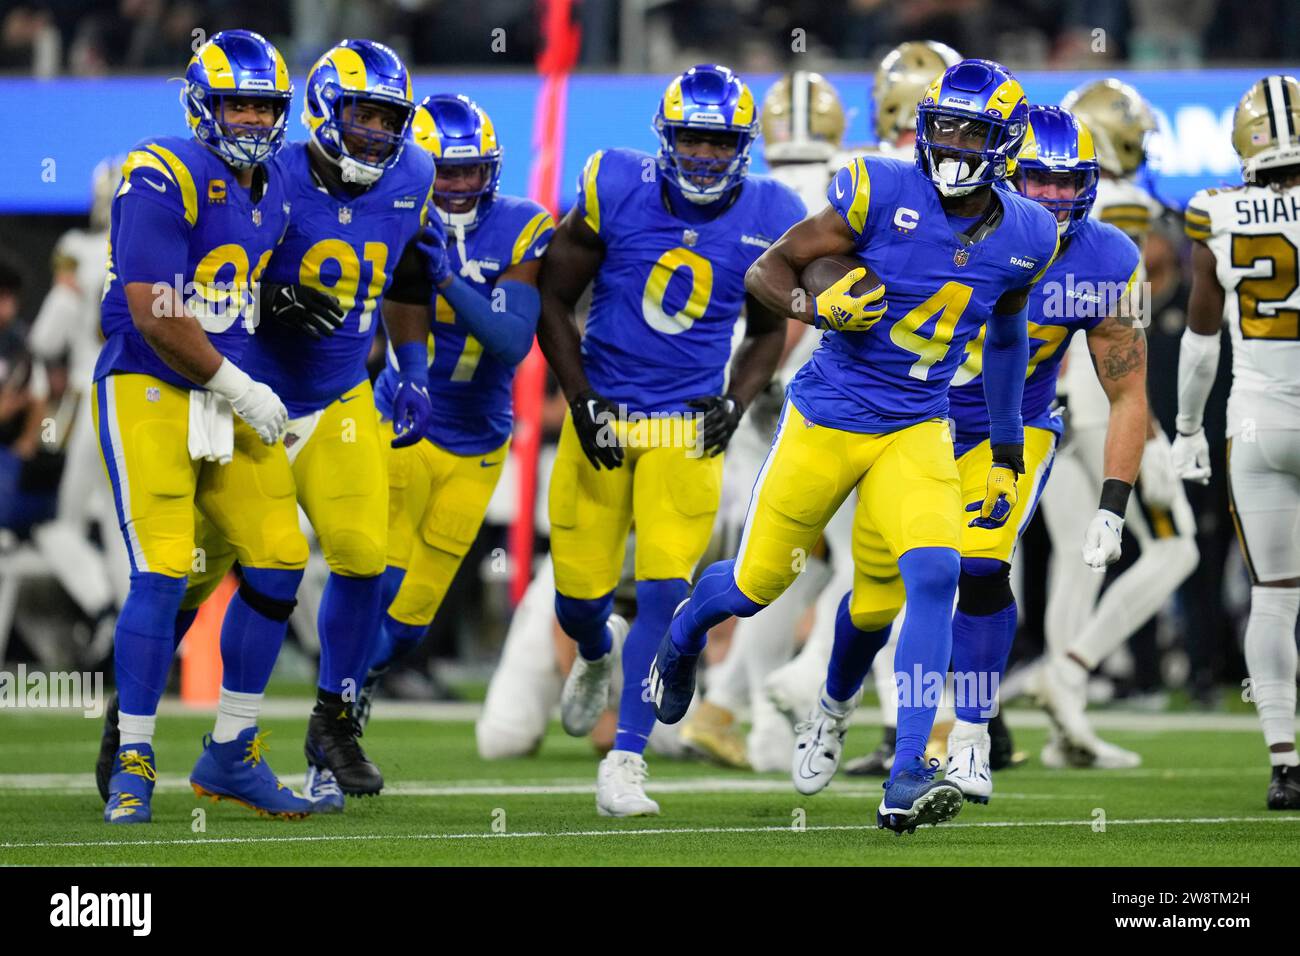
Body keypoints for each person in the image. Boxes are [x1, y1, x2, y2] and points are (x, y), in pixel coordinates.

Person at [650, 59, 1059, 833]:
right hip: (829, 416)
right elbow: (771, 269)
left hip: (917, 423)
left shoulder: (1030, 231)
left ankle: (909, 769)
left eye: (973, 130)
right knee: (755, 584)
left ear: (1004, 144)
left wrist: (1006, 447)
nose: (953, 140)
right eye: (944, 124)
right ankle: (683, 636)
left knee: (936, 570)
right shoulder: (879, 187)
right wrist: (817, 303)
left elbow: (1006, 333)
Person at [537, 64, 804, 817]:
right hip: (607, 421)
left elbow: (766, 331)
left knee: (664, 588)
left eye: (720, 142)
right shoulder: (615, 185)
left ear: (742, 147)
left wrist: (736, 397)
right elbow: (551, 300)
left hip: (688, 425)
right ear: (665, 136)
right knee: (579, 600)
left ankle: (626, 761)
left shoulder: (769, 211)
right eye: (692, 137)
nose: (705, 154)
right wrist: (579, 399)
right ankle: (596, 650)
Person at [177, 38, 437, 803]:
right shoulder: (262, 170)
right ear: (326, 111)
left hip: (337, 396)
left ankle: (333, 721)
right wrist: (267, 301)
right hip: (245, 400)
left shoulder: (414, 172)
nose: (376, 135)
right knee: (196, 574)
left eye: (390, 121)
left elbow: (413, 271)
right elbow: (200, 283)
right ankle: (128, 722)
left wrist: (411, 367)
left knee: (362, 554)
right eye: (362, 116)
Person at [93, 30, 336, 823]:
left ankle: (231, 750)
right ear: (203, 102)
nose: (254, 119)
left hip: (225, 396)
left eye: (266, 105)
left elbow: (234, 290)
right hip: (150, 384)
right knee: (164, 567)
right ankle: (133, 752)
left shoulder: (276, 186)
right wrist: (239, 384)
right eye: (239, 102)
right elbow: (155, 308)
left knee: (278, 557)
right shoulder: (161, 169)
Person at [937, 105, 1145, 802]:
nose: (1055, 197)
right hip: (913, 419)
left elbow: (1128, 392)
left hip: (1015, 429)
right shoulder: (946, 218)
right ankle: (841, 707)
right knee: (884, 584)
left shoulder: (1108, 256)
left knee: (981, 564)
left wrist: (1112, 504)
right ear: (1005, 172)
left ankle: (968, 736)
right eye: (1040, 180)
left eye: (1070, 182)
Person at [357, 93, 551, 741]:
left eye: (472, 170)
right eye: (447, 172)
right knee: (377, 578)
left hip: (479, 440)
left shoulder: (521, 225)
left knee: (412, 619)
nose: (461, 184)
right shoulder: (392, 211)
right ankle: (337, 709)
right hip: (403, 422)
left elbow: (512, 342)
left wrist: (450, 280)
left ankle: (357, 685)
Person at [1035, 78, 1198, 768]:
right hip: (1102, 400)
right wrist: (1154, 430)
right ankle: (1072, 668)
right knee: (1177, 545)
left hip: (1046, 397)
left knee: (1079, 556)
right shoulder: (1121, 210)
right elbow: (1122, 327)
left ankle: (1065, 719)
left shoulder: (1025, 208)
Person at [1174, 74, 1300, 811]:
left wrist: (1187, 428)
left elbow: (1199, 341)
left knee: (1275, 598)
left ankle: (1285, 762)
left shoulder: (1215, 210)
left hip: (1255, 426)